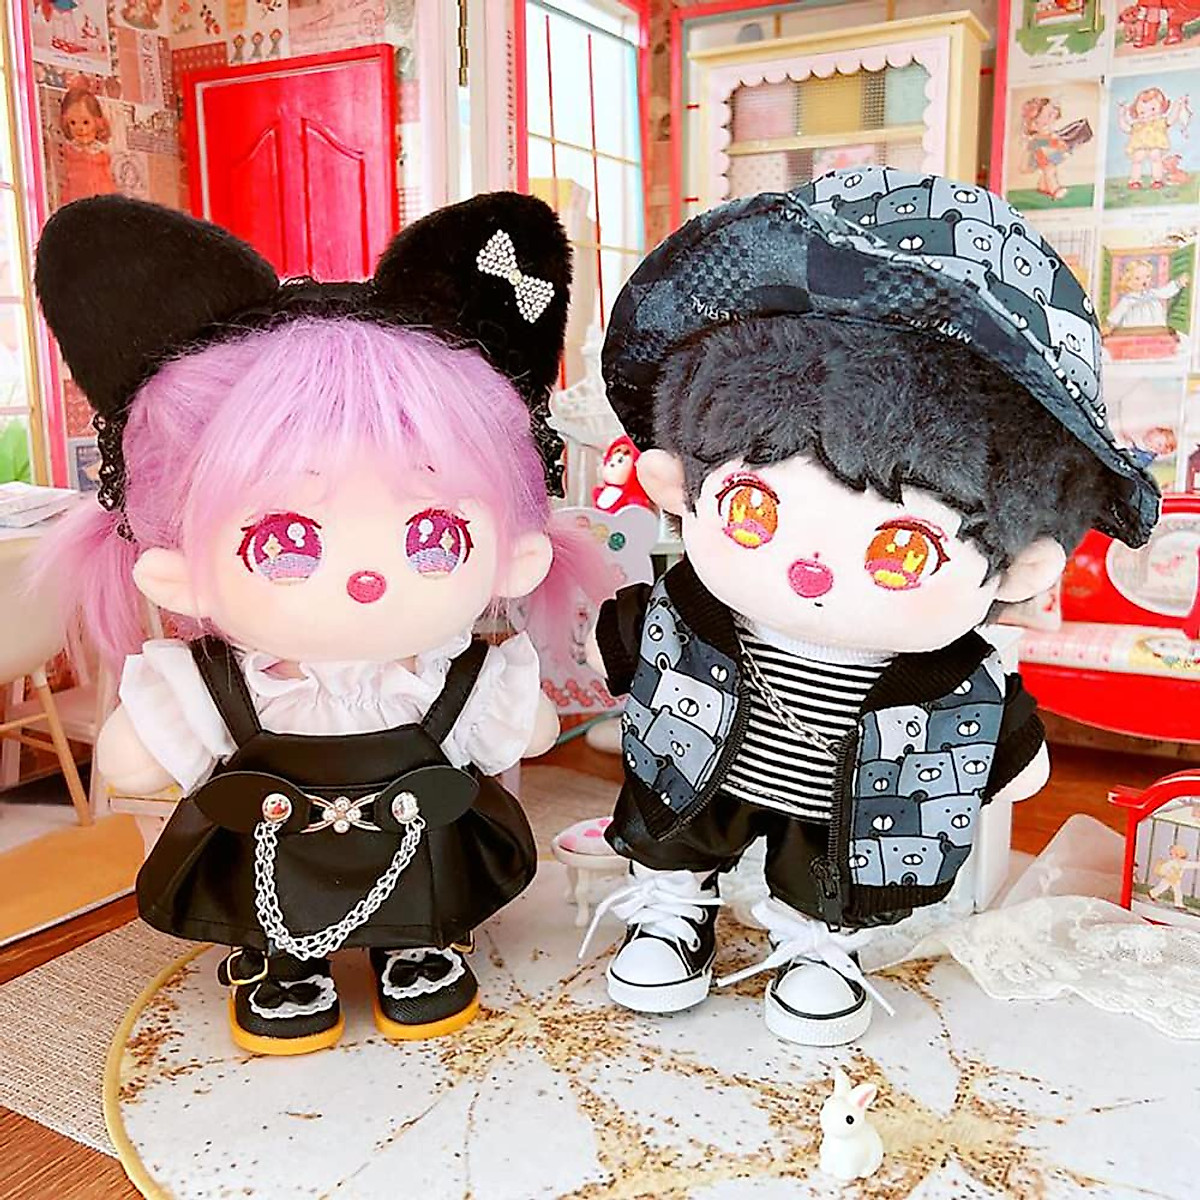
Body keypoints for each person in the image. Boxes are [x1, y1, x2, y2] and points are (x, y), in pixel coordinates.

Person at [582, 167, 1160, 1047]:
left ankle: (820, 944)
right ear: (677, 488)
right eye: (752, 509)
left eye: (901, 550)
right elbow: (622, 644)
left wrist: (1007, 761)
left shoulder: (951, 677)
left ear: (1018, 568)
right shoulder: (687, 611)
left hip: (850, 804)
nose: (810, 572)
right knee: (676, 826)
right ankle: (673, 909)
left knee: (833, 869)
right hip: (698, 773)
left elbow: (1001, 744)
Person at [34, 192, 606, 1054]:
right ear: (177, 569)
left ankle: (413, 946)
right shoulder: (222, 684)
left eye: (433, 535)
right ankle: (288, 961)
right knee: (274, 894)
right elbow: (135, 758)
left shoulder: (447, 675)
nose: (366, 580)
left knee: (424, 878)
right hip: (273, 856)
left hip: (418, 848)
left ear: (513, 552)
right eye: (286, 542)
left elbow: (521, 733)